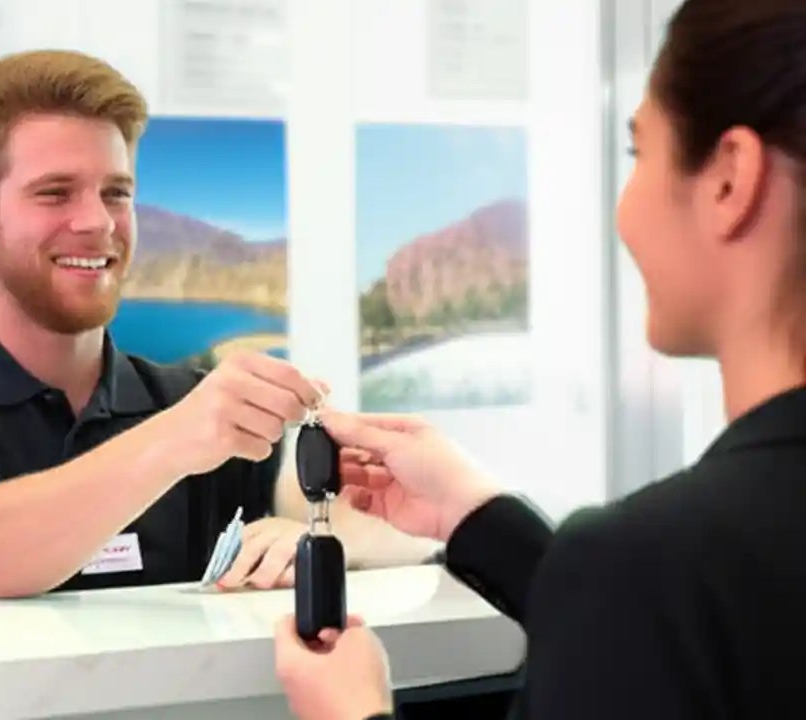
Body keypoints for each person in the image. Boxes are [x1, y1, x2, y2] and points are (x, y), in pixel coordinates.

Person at [272, 0, 806, 718]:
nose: (627, 204)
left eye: (638, 152)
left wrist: (352, 714)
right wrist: (478, 517)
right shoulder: (666, 570)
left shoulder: (658, 567)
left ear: (729, 179)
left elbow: (651, 607)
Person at [0, 49, 435, 606]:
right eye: (55, 193)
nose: (96, 222)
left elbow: (397, 524)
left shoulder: (192, 404)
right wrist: (173, 441)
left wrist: (323, 539)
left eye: (116, 193)